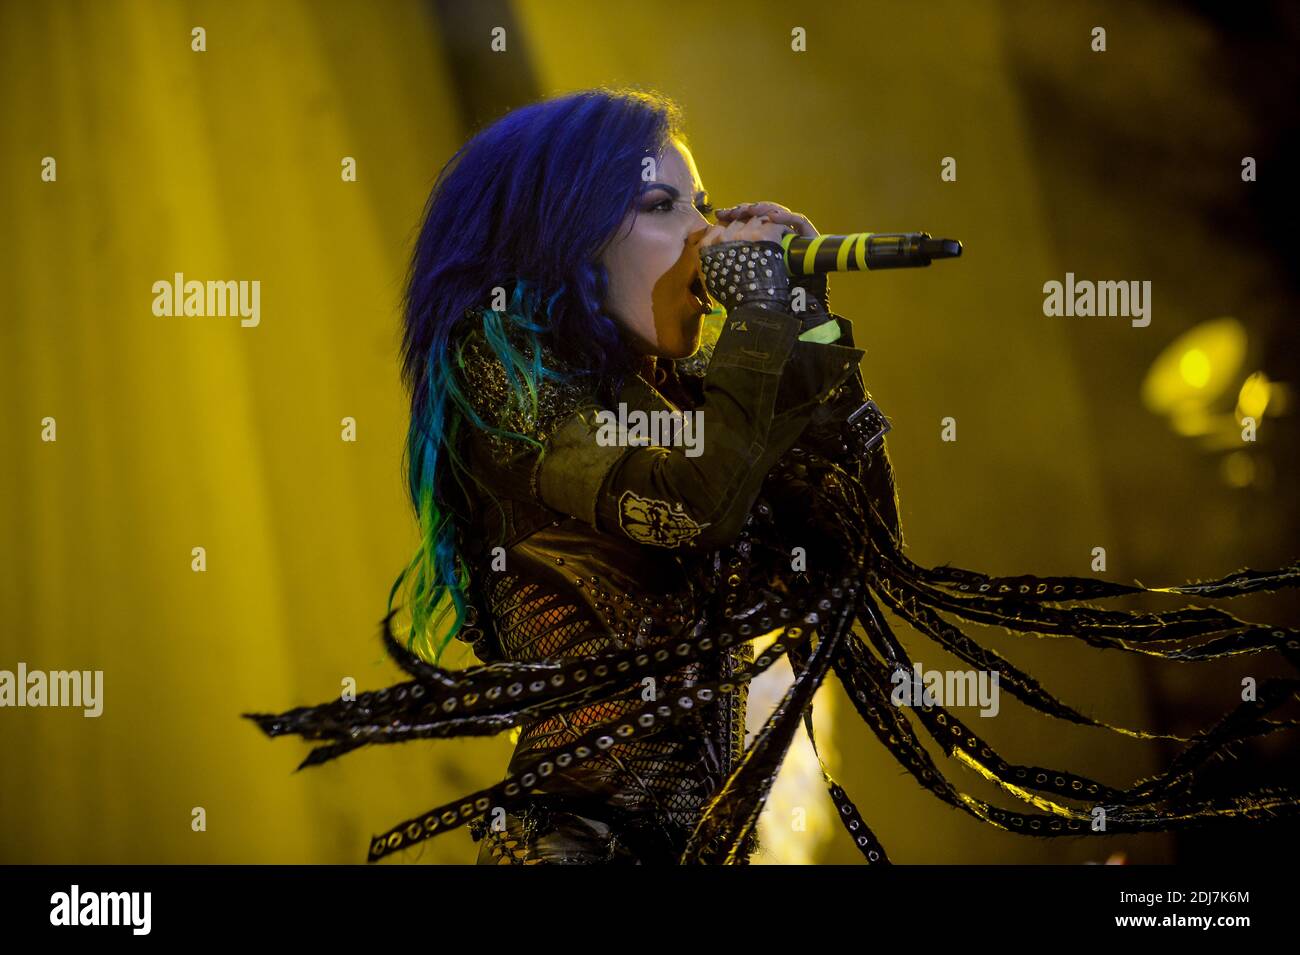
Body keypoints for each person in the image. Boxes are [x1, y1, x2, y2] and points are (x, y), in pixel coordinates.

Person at [246, 88, 1300, 865]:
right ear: (566, 235)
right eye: (664, 205)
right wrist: (758, 328)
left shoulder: (691, 400)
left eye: (705, 207)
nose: (705, 238)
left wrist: (812, 331)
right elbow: (684, 505)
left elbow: (856, 546)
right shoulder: (503, 368)